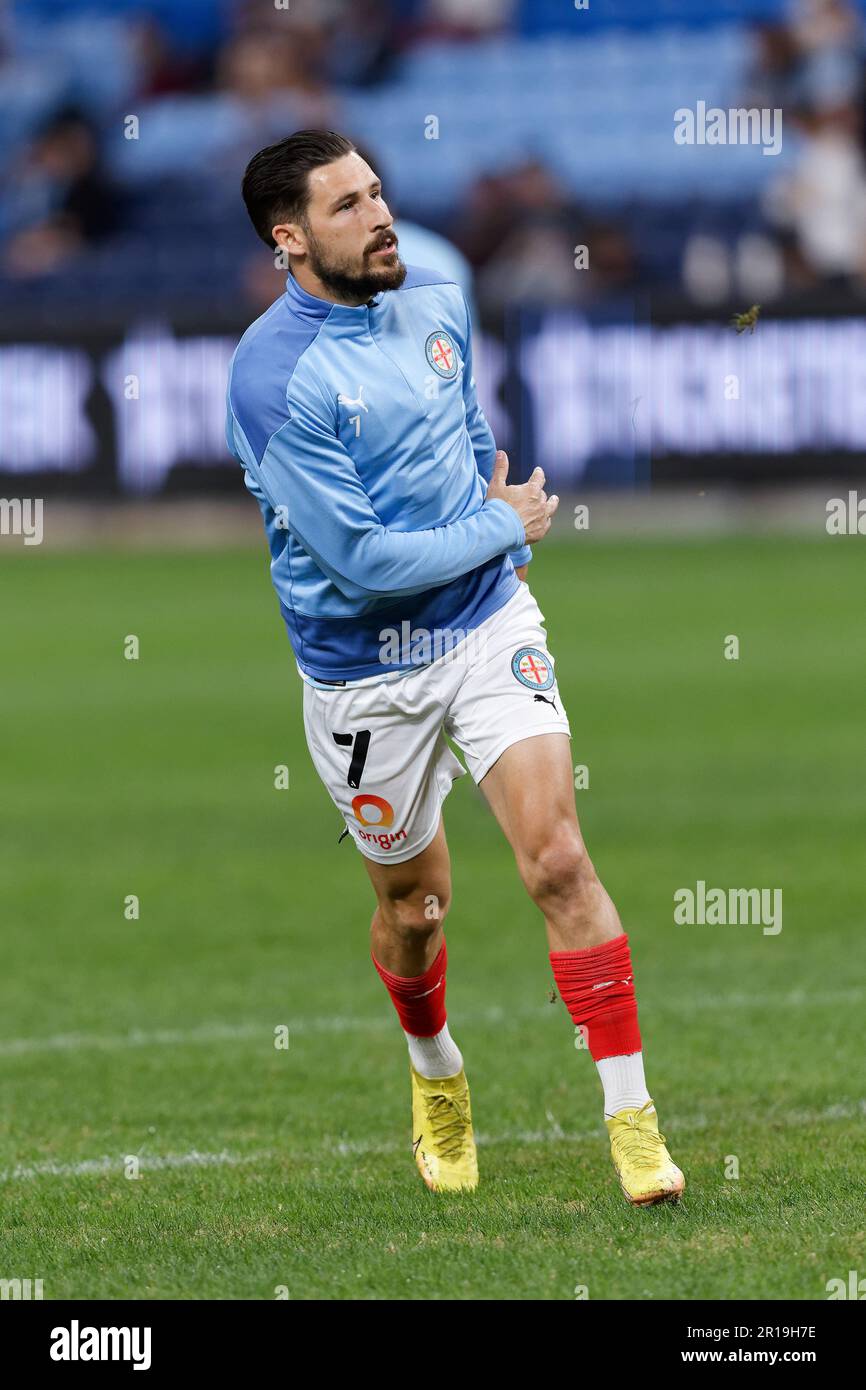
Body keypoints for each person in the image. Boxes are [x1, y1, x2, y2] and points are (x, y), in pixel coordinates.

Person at [225, 129, 684, 1204]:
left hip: (483, 624)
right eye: (346, 207)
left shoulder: (434, 291)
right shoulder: (269, 377)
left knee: (556, 860)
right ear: (288, 238)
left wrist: (493, 517)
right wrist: (502, 520)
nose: (380, 216)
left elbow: (462, 421)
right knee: (413, 907)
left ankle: (632, 1124)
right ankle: (435, 1073)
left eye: (378, 192)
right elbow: (364, 561)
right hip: (359, 672)